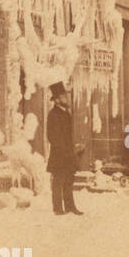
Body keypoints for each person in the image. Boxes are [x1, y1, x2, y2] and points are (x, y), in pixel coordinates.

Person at [46, 81, 83, 216]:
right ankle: (57, 208)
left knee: (68, 181)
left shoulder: (66, 114)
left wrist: (73, 148)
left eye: (66, 96)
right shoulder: (53, 114)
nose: (66, 98)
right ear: (57, 100)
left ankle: (70, 206)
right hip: (59, 154)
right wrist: (64, 150)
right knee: (58, 182)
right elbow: (52, 136)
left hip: (68, 154)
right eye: (63, 96)